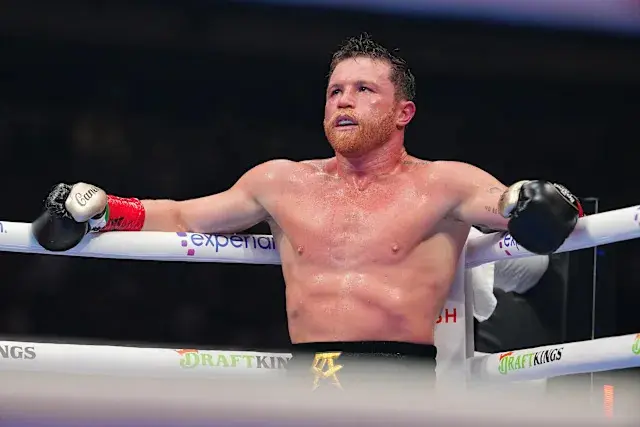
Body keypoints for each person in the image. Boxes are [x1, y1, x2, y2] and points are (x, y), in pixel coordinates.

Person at [32, 34, 583, 391]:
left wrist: (544, 202)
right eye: (335, 91)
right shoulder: (281, 181)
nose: (344, 100)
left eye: (364, 89)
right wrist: (105, 209)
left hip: (400, 381)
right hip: (308, 377)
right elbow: (182, 217)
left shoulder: (445, 182)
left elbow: (526, 207)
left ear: (402, 113)